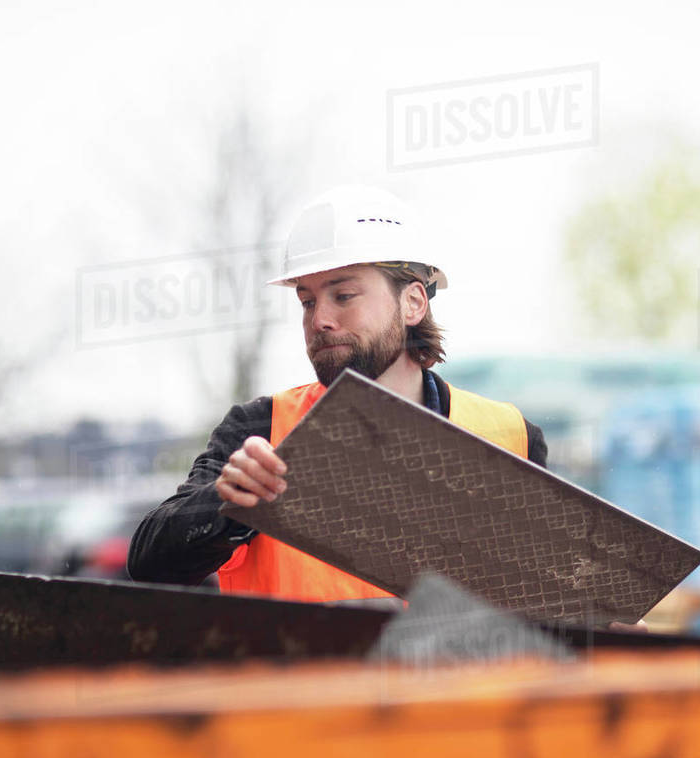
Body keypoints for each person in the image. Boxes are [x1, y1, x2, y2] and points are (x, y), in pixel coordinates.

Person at [127, 185, 548, 601]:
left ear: (413, 303)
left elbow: (551, 597)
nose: (320, 319)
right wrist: (229, 500)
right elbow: (150, 562)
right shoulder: (261, 429)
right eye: (307, 302)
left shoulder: (509, 437)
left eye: (343, 295)